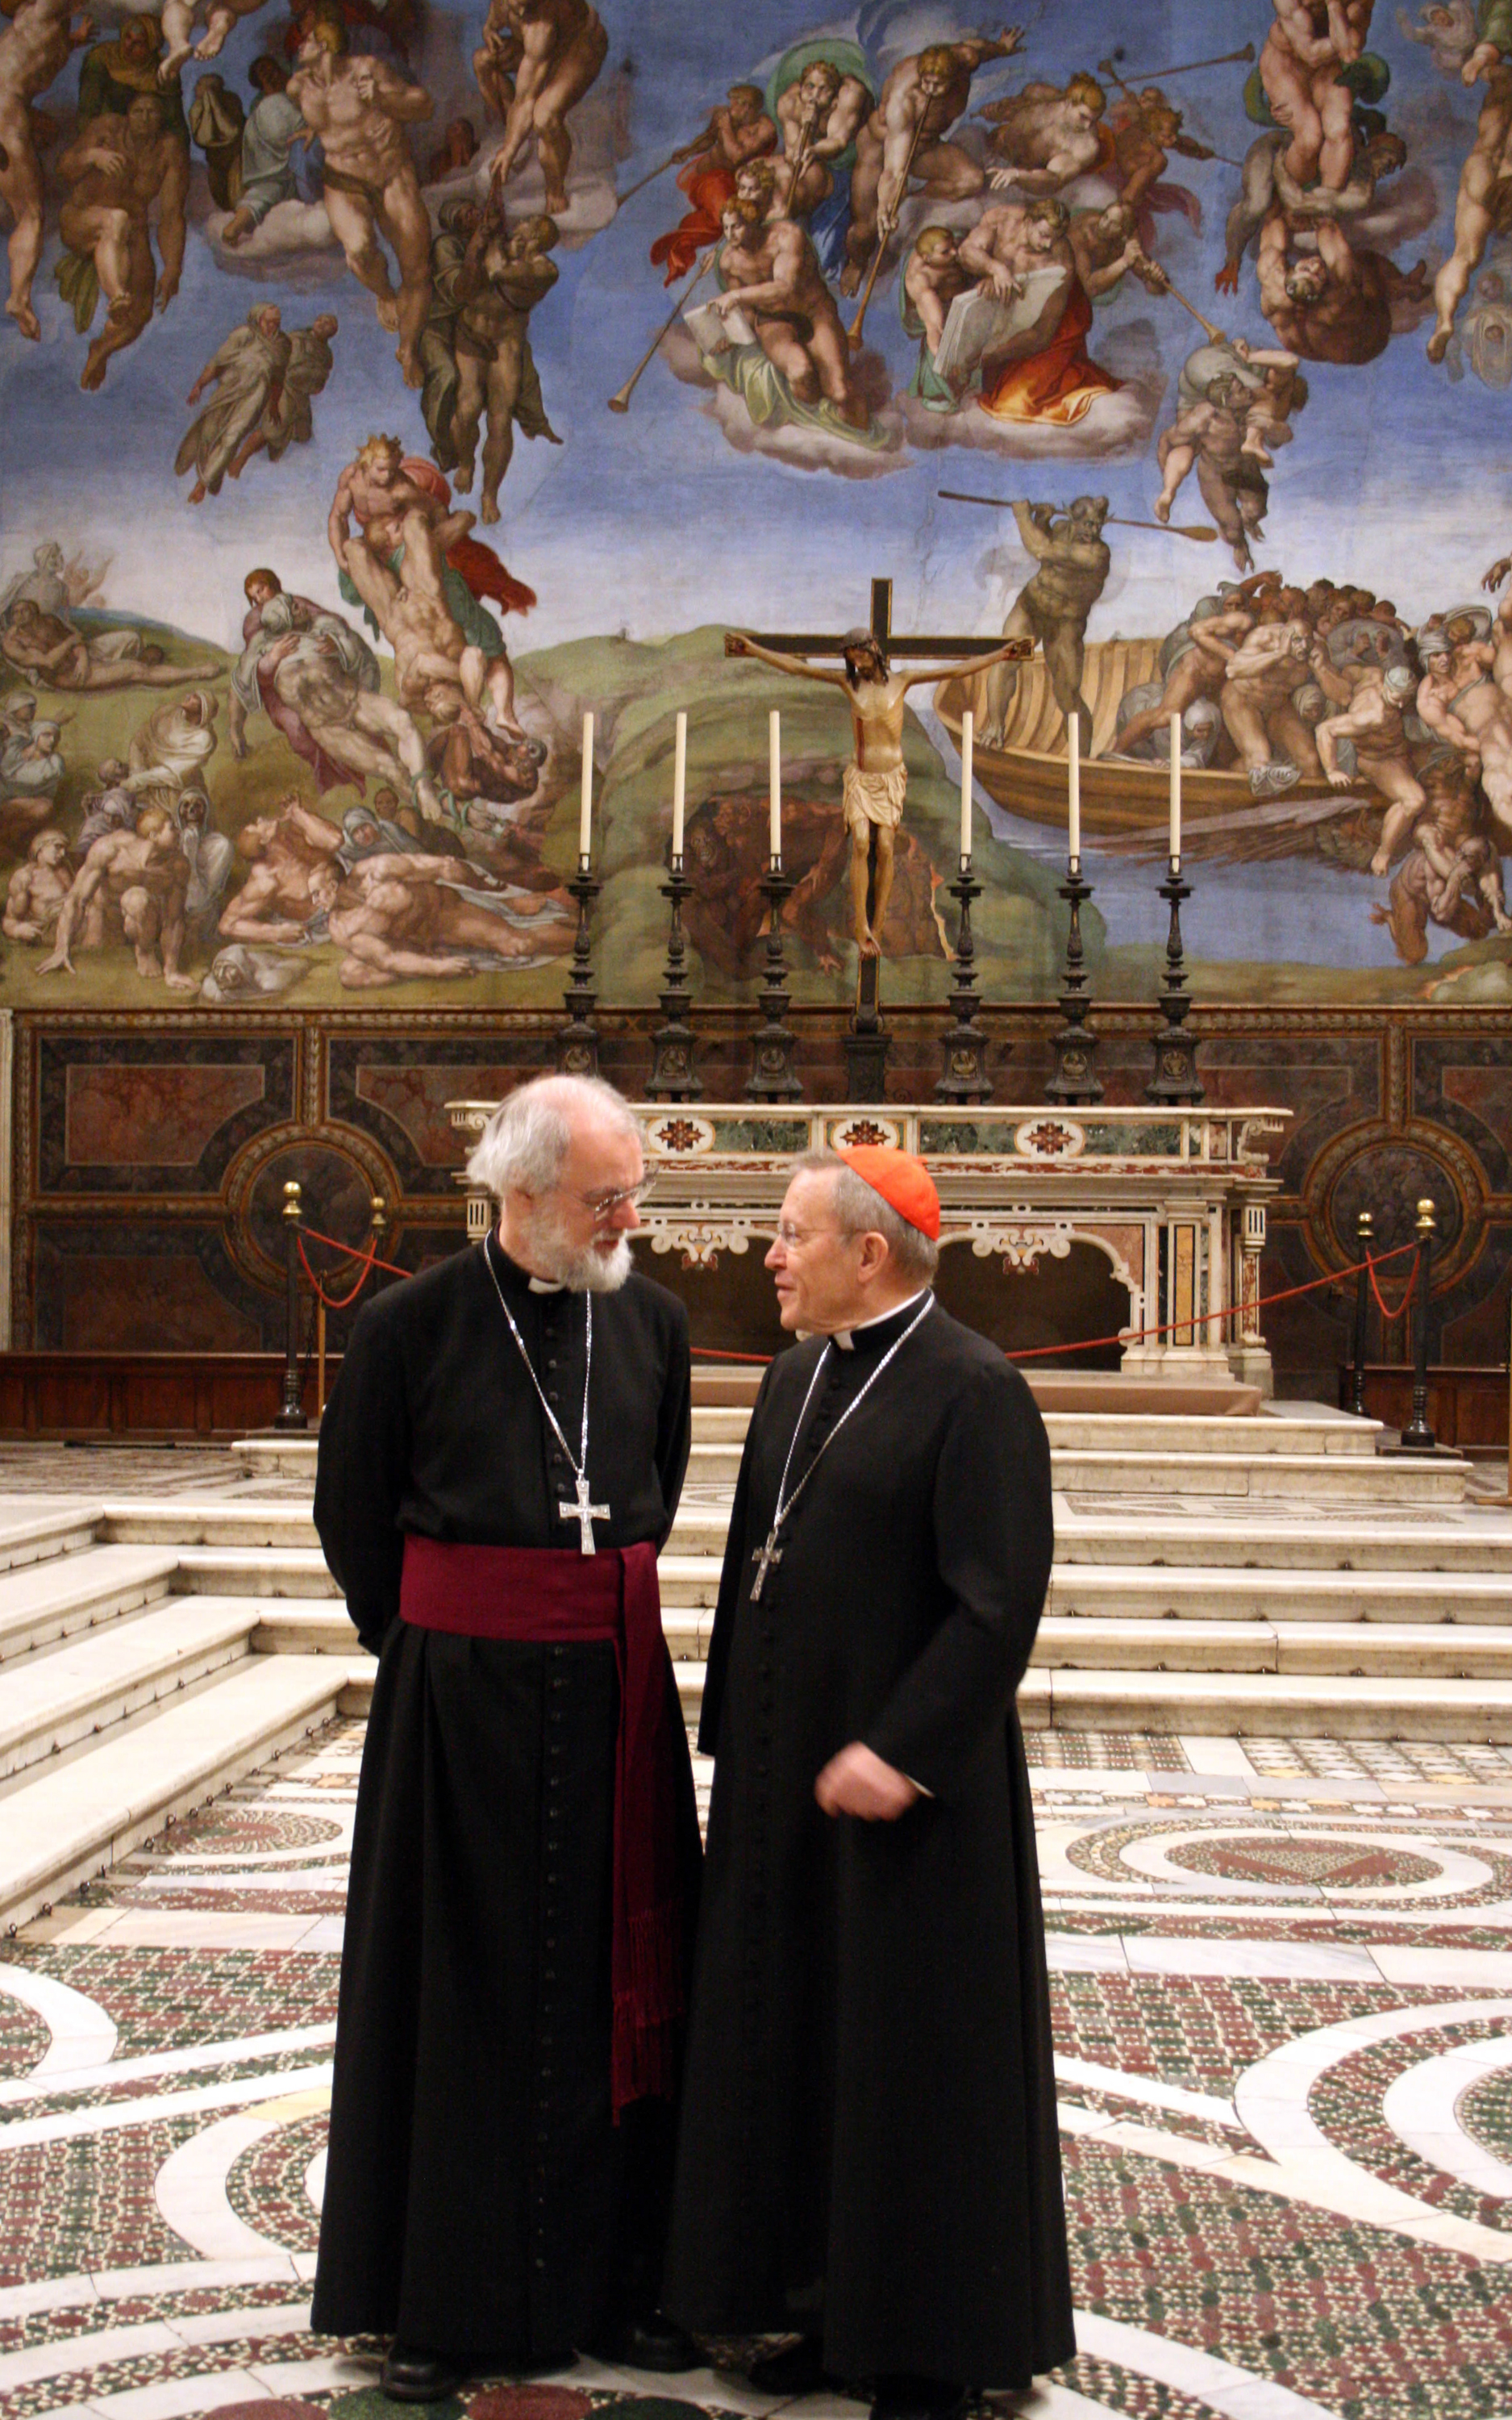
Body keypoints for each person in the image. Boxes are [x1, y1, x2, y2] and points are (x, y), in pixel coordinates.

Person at [664, 1144, 1073, 2420]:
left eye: (789, 1235)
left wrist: (899, 1753)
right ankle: (820, 2306)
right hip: (784, 1780)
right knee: (797, 2042)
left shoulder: (974, 1388)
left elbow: (995, 1604)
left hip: (912, 1800)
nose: (769, 1258)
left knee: (906, 2065)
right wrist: (733, 1742)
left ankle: (927, 2347)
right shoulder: (791, 1377)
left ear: (868, 1252)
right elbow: (752, 1559)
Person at [311, 1074, 701, 2396]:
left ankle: (619, 2284)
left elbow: (657, 1485)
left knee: (615, 1980)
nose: (626, 1218)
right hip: (458, 1708)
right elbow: (354, 1517)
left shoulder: (651, 1319)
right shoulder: (407, 1326)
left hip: (613, 1696)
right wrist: (440, 1645)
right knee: (456, 1989)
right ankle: (440, 2302)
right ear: (520, 1193)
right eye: (605, 1197)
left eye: (632, 1193)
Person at [725, 626, 1025, 957]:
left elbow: (954, 670)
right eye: (853, 659)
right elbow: (798, 668)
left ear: (873, 650)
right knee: (861, 842)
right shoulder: (849, 684)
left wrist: (1000, 656)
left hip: (890, 780)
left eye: (862, 656)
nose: (859, 664)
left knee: (885, 847)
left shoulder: (903, 681)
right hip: (861, 778)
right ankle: (860, 925)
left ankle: (877, 922)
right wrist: (752, 649)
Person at [286, 13, 432, 387]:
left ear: (325, 44)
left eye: (307, 40)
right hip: (344, 180)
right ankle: (385, 294)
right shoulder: (297, 87)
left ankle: (409, 349)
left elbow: (423, 106)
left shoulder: (367, 69)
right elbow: (328, 122)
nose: (300, 46)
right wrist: (313, 129)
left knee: (417, 268)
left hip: (392, 173)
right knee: (360, 253)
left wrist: (383, 98)